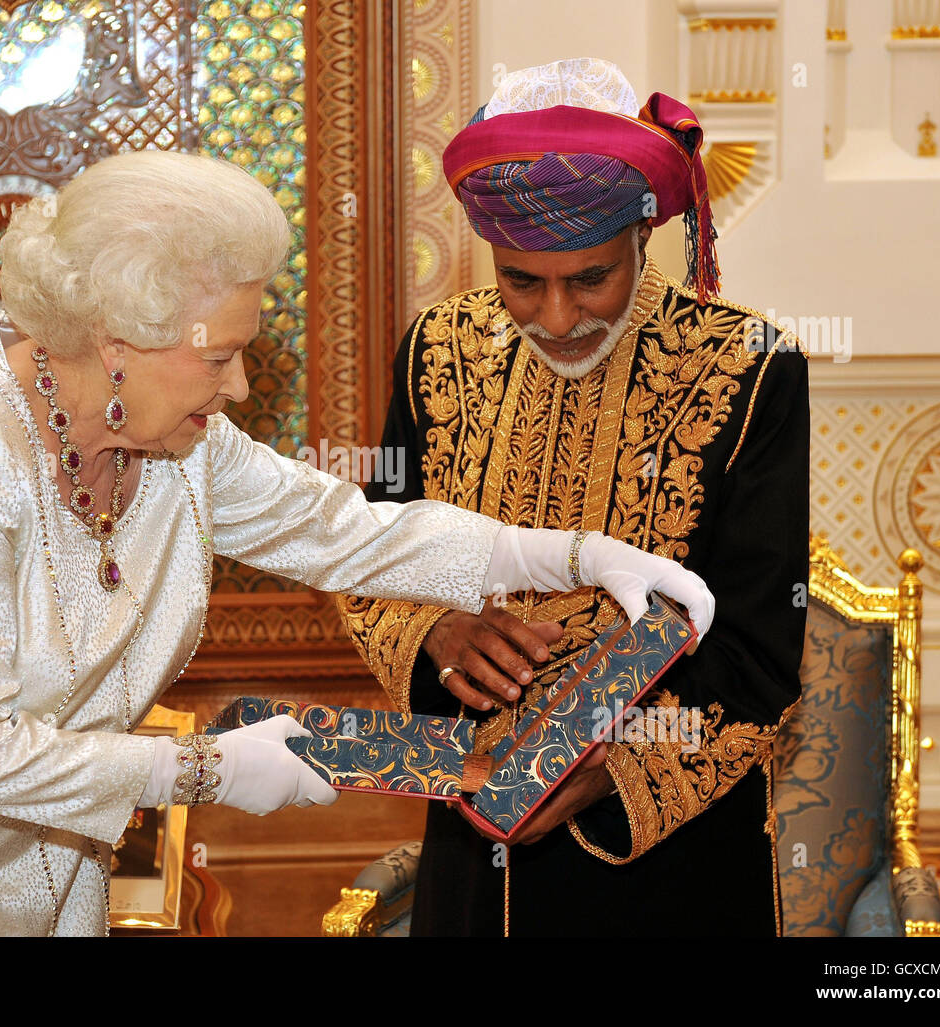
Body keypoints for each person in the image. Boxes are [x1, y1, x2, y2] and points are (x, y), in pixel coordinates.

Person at [0, 149, 713, 936]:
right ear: (114, 343)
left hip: (44, 856)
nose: (236, 390)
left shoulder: (173, 441)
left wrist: (572, 556)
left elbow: (346, 532)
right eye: (221, 358)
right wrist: (204, 773)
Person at [337, 58, 809, 936]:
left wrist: (612, 766)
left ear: (642, 238)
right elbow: (371, 554)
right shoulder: (438, 347)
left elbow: (759, 647)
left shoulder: (750, 364)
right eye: (522, 282)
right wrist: (434, 629)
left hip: (668, 865)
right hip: (475, 832)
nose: (557, 317)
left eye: (590, 278)